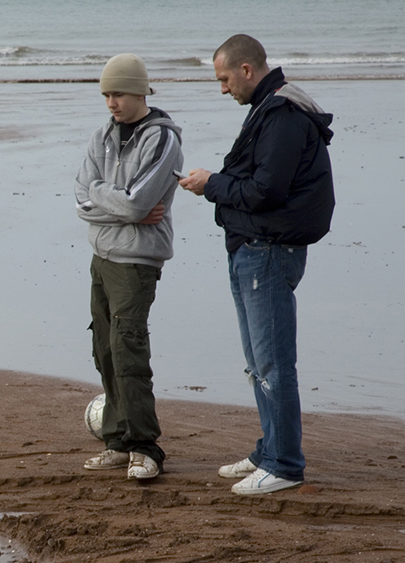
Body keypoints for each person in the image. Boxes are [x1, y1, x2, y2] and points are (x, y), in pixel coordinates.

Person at [180, 34, 335, 496]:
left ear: (246, 70)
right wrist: (219, 185)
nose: (222, 88)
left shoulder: (282, 114)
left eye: (224, 78)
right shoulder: (269, 108)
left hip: (269, 250)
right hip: (254, 246)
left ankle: (285, 464)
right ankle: (270, 450)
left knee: (273, 364)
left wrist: (212, 184)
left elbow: (266, 190)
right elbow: (256, 182)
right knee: (257, 363)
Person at [75, 53, 183, 481]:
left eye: (117, 93)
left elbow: (140, 201)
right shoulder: (101, 136)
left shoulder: (162, 139)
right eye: (106, 94)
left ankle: (146, 447)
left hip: (136, 261)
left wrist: (118, 203)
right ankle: (117, 441)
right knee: (104, 348)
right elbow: (81, 198)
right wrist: (115, 201)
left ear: (139, 91)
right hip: (101, 256)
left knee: (128, 349)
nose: (111, 103)